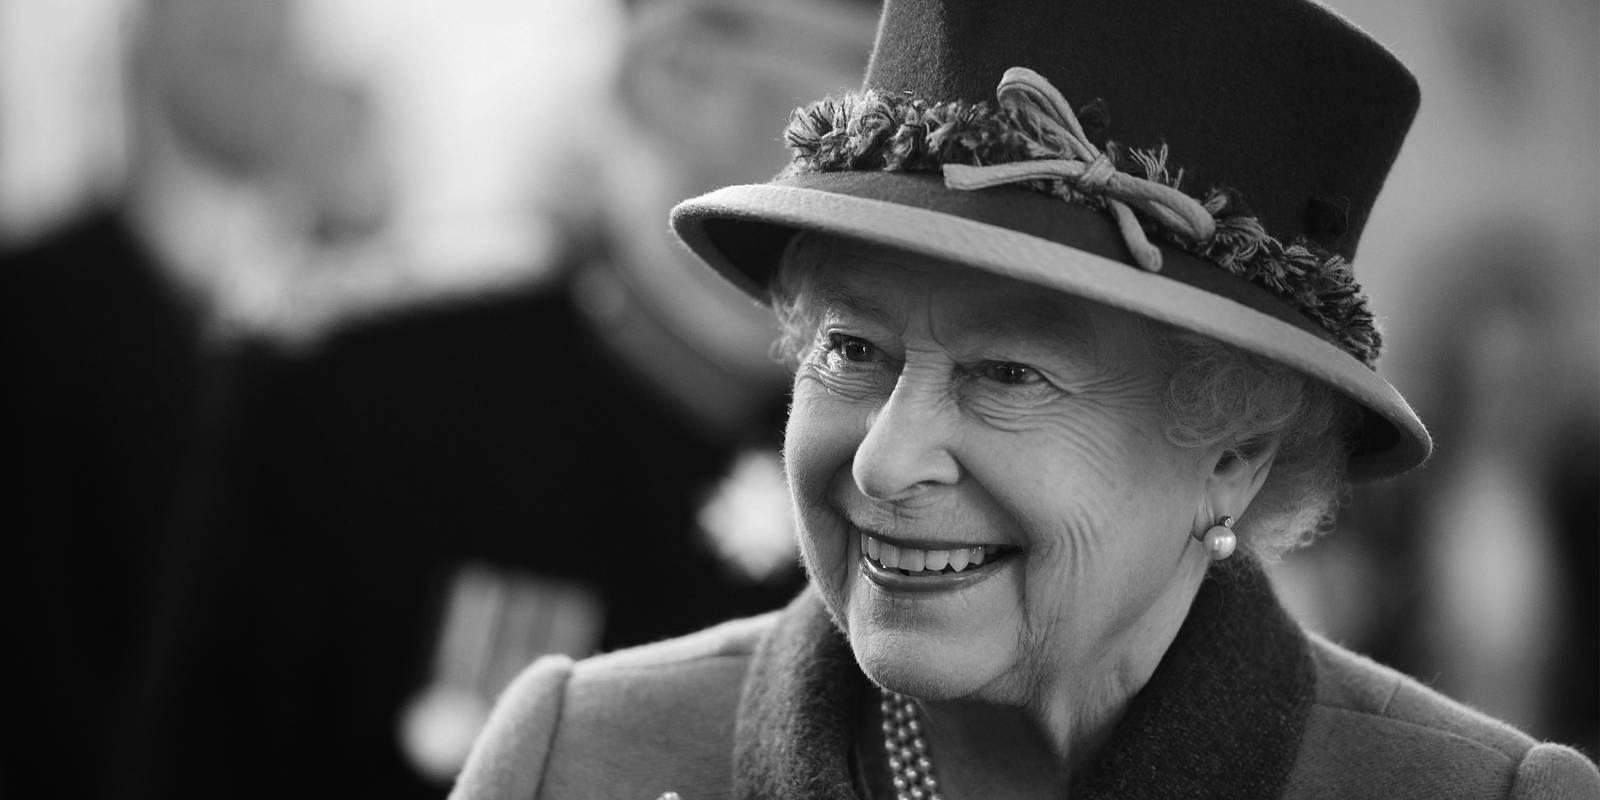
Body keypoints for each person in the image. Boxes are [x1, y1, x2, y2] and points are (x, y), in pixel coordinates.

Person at [450, 0, 1600, 798]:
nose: (885, 463)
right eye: (852, 348)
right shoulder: (575, 756)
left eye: (1007, 374)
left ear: (1234, 457)